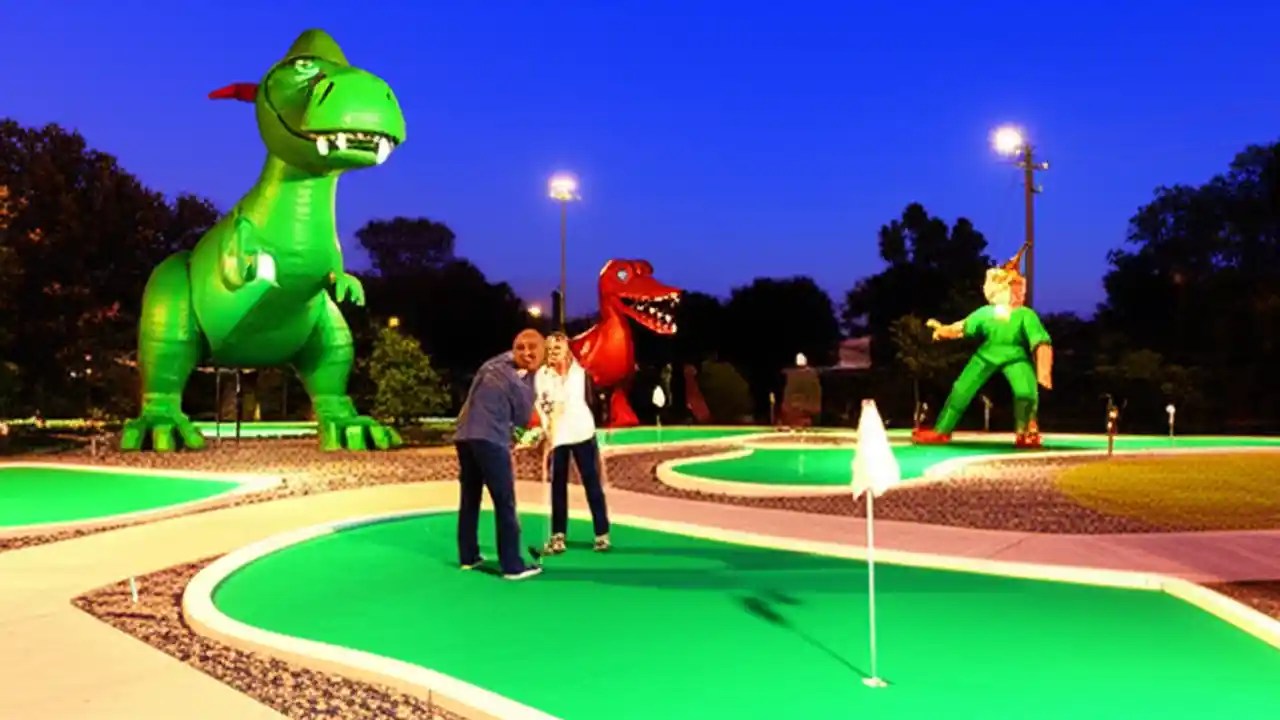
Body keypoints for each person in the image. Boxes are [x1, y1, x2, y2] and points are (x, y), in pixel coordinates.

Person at [913, 243, 1053, 448]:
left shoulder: (1025, 315)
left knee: (1026, 391)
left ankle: (1027, 432)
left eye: (1021, 289)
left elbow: (1040, 339)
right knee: (961, 389)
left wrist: (1043, 367)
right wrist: (943, 331)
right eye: (1016, 289)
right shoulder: (986, 313)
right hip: (987, 354)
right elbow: (962, 326)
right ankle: (942, 430)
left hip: (1015, 355)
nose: (1019, 293)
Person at [453, 329, 546, 580]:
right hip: (489, 438)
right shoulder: (522, 382)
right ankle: (512, 565)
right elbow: (522, 418)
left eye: (532, 348)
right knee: (505, 501)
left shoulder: (493, 364)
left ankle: (468, 556)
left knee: (470, 497)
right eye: (522, 347)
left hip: (464, 436)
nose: (527, 353)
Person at [533, 331, 612, 554]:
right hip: (558, 436)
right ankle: (558, 535)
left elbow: (578, 400)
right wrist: (548, 429)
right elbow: (544, 404)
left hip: (582, 432)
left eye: (559, 346)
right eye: (551, 347)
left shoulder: (580, 371)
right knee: (558, 485)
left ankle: (601, 533)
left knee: (591, 482)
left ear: (567, 348)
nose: (554, 350)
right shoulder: (543, 375)